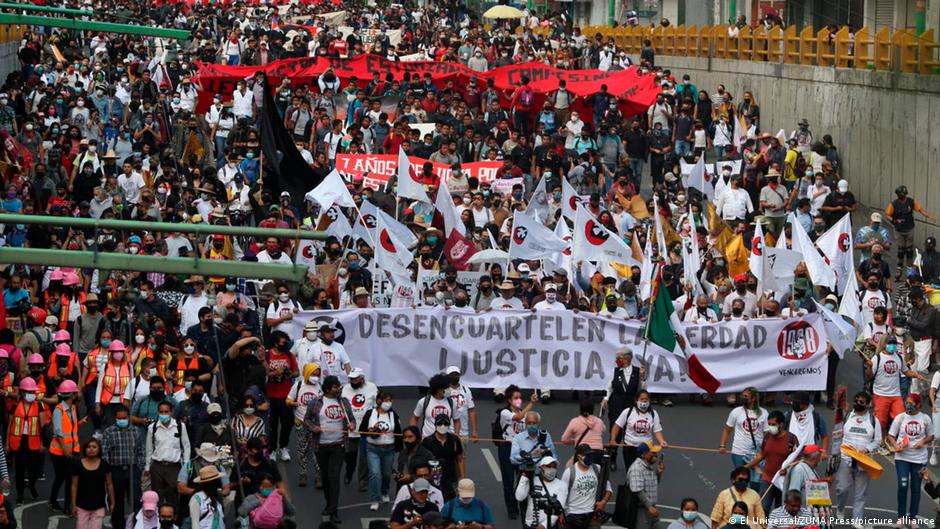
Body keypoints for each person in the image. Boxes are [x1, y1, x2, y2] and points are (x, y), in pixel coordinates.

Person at [304, 375, 355, 523]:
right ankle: (329, 504)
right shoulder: (315, 402)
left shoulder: (344, 402)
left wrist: (351, 424)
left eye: (339, 386)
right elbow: (306, 419)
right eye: (335, 386)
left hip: (338, 446)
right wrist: (314, 428)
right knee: (325, 478)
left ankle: (333, 510)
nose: (338, 388)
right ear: (327, 389)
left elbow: (351, 419)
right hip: (321, 446)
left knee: (334, 477)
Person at [835, 391, 881, 524]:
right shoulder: (847, 416)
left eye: (861, 402)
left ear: (868, 404)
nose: (857, 403)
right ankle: (840, 508)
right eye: (856, 400)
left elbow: (877, 441)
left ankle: (857, 519)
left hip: (864, 461)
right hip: (845, 457)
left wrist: (867, 449)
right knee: (842, 488)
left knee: (861, 493)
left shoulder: (873, 420)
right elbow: (838, 435)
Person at [888, 393, 934, 524]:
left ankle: (912, 518)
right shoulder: (900, 418)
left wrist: (923, 441)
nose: (908, 405)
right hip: (902, 458)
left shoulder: (925, 419)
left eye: (911, 403)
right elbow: (891, 435)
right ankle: (901, 516)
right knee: (903, 485)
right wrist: (896, 445)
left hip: (919, 459)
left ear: (918, 405)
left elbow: (931, 436)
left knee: (915, 487)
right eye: (906, 402)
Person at [744, 410, 798, 515]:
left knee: (781, 510)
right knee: (763, 508)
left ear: (781, 425)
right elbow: (761, 454)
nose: (770, 427)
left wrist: (787, 470)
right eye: (769, 424)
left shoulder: (791, 439)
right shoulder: (767, 437)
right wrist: (746, 466)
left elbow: (797, 459)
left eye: (773, 424)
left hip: (783, 481)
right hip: (767, 479)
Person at [359, 391, 403, 511]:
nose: (388, 403)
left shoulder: (393, 415)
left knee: (386, 474)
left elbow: (398, 432)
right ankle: (375, 498)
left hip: (389, 449)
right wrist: (371, 430)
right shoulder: (370, 413)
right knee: (374, 474)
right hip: (373, 449)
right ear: (379, 401)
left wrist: (400, 448)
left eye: (390, 400)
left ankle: (384, 492)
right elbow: (361, 429)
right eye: (386, 400)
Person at [144, 400, 191, 509]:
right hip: (157, 467)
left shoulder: (180, 426)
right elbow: (149, 449)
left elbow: (186, 446)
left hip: (174, 467)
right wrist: (147, 467)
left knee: (173, 497)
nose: (164, 414)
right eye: (161, 412)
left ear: (171, 412)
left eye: (166, 412)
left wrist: (186, 464)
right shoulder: (152, 427)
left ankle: (173, 522)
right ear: (158, 412)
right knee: (157, 498)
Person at [100, 404, 141, 529]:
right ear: (115, 418)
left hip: (132, 469)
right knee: (117, 501)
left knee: (135, 499)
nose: (122, 420)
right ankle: (118, 525)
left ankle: (136, 524)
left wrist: (140, 467)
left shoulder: (135, 431)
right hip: (115, 470)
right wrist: (107, 471)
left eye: (124, 418)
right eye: (119, 418)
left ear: (128, 417)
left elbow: (140, 451)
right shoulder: (108, 432)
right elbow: (105, 453)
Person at [718, 388, 766, 490]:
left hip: (756, 454)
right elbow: (727, 429)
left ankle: (753, 503)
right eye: (742, 396)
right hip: (738, 452)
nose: (742, 398)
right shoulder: (736, 412)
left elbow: (767, 435)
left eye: (745, 396)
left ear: (753, 399)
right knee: (741, 481)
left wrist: (765, 452)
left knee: (755, 483)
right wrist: (722, 445)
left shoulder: (763, 413)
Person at [8, 377, 45, 506]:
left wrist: (42, 443)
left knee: (33, 470)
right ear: (23, 392)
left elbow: (43, 425)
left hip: (34, 441)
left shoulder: (39, 406)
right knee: (19, 470)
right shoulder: (15, 406)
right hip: (19, 442)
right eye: (28, 392)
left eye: (32, 392)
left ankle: (31, 485)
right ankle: (20, 495)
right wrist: (7, 444)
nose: (31, 394)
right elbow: (10, 425)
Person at [609, 390, 668, 471]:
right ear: (636, 400)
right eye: (642, 399)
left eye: (646, 399)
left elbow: (657, 431)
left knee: (646, 471)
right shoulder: (627, 412)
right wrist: (612, 439)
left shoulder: (654, 413)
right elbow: (616, 427)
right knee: (631, 471)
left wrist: (662, 441)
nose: (644, 401)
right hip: (630, 448)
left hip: (647, 450)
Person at [561, 444, 613, 529]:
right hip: (573, 515)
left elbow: (608, 489)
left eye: (590, 455)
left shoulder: (597, 469)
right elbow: (562, 494)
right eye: (587, 455)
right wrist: (562, 513)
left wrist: (603, 502)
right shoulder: (569, 472)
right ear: (579, 456)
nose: (590, 457)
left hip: (592, 514)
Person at [287, 362, 322, 487]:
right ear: (307, 373)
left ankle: (319, 476)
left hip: (314, 424)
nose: (316, 377)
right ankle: (303, 474)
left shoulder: (320, 386)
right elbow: (288, 399)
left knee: (316, 450)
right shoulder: (298, 385)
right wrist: (293, 403)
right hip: (300, 422)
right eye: (313, 374)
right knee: (302, 449)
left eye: (317, 375)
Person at [342, 367, 377, 491]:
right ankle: (349, 472)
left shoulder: (372, 387)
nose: (353, 381)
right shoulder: (345, 389)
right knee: (349, 456)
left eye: (355, 379)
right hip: (350, 429)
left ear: (362, 379)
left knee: (364, 458)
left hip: (365, 430)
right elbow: (342, 407)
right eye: (351, 379)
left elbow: (376, 406)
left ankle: (363, 481)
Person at [50, 379, 81, 512]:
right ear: (72, 395)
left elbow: (70, 428)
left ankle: (68, 505)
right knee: (62, 477)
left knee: (69, 478)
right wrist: (65, 450)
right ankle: (54, 500)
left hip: (72, 450)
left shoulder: (72, 408)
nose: (77, 395)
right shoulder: (59, 410)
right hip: (60, 452)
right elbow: (58, 433)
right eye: (76, 393)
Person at [70, 438, 114, 529]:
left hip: (98, 506)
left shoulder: (104, 465)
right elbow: (74, 485)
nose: (91, 449)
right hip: (81, 506)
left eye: (94, 447)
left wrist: (112, 502)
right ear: (85, 449)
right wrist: (73, 505)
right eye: (88, 447)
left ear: (99, 449)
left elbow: (109, 484)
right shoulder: (77, 465)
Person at [515, 456, 568, 529]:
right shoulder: (532, 480)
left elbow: (558, 510)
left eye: (554, 467)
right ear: (541, 468)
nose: (551, 469)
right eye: (548, 466)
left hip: (549, 526)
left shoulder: (562, 485)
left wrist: (543, 526)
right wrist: (524, 477)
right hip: (529, 525)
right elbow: (519, 497)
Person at [421, 414, 465, 501]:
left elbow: (460, 459)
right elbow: (423, 461)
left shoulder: (455, 440)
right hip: (434, 479)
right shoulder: (427, 441)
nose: (443, 426)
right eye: (440, 424)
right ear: (435, 425)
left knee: (452, 502)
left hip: (451, 477)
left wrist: (462, 478)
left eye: (445, 424)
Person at [628, 442, 664, 529]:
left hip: (650, 509)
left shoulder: (648, 467)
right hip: (641, 510)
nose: (656, 455)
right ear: (643, 454)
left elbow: (652, 486)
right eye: (653, 453)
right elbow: (637, 490)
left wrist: (658, 474)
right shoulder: (636, 468)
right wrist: (649, 506)